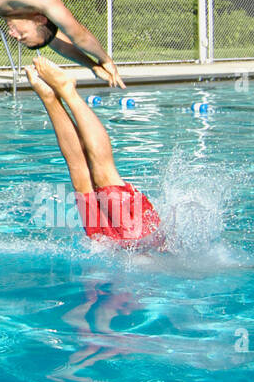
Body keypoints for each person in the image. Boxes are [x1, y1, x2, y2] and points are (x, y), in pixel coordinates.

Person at [25, 57, 162, 249]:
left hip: (110, 247)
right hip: (140, 240)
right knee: (104, 177)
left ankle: (49, 98)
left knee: (80, 179)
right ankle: (68, 91)